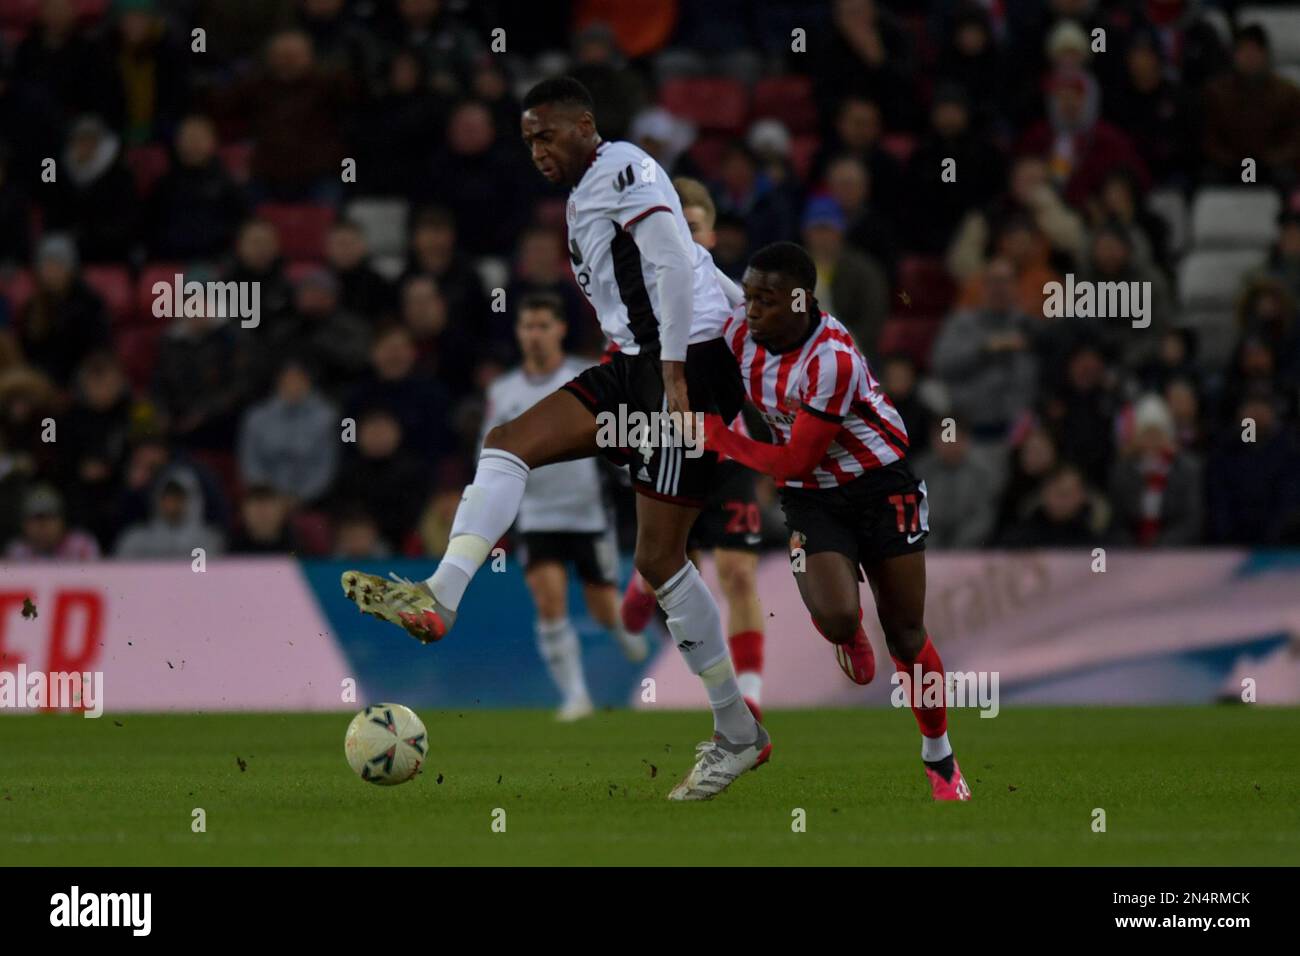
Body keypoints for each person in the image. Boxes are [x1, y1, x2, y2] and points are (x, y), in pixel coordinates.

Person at [341, 77, 769, 801]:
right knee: (507, 441)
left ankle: (738, 732)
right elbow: (701, 269)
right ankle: (440, 597)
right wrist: (737, 314)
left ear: (584, 125)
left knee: (661, 560)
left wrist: (681, 367)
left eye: (547, 134)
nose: (537, 149)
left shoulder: (626, 166)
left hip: (682, 371)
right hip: (638, 366)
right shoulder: (589, 194)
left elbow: (670, 254)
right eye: (528, 139)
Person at [701, 241, 972, 801]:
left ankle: (939, 756)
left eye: (765, 300)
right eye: (748, 296)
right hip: (813, 499)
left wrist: (719, 438)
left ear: (800, 301)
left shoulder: (832, 359)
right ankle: (846, 633)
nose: (750, 309)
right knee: (836, 613)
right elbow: (696, 288)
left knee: (906, 633)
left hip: (881, 486)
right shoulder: (737, 334)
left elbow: (796, 457)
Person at [621, 177, 766, 719]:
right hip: (666, 449)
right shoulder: (640, 299)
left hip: (727, 453)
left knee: (738, 573)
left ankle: (749, 694)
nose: (685, 237)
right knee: (675, 565)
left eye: (696, 226)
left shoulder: (732, 298)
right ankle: (642, 590)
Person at [484, 294, 648, 722]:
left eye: (543, 326)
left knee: (602, 606)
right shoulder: (503, 392)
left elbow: (615, 435)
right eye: (527, 327)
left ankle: (621, 628)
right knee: (548, 599)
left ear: (560, 330)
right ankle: (577, 697)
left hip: (588, 514)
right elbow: (491, 451)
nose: (534, 335)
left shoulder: (584, 377)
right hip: (537, 515)